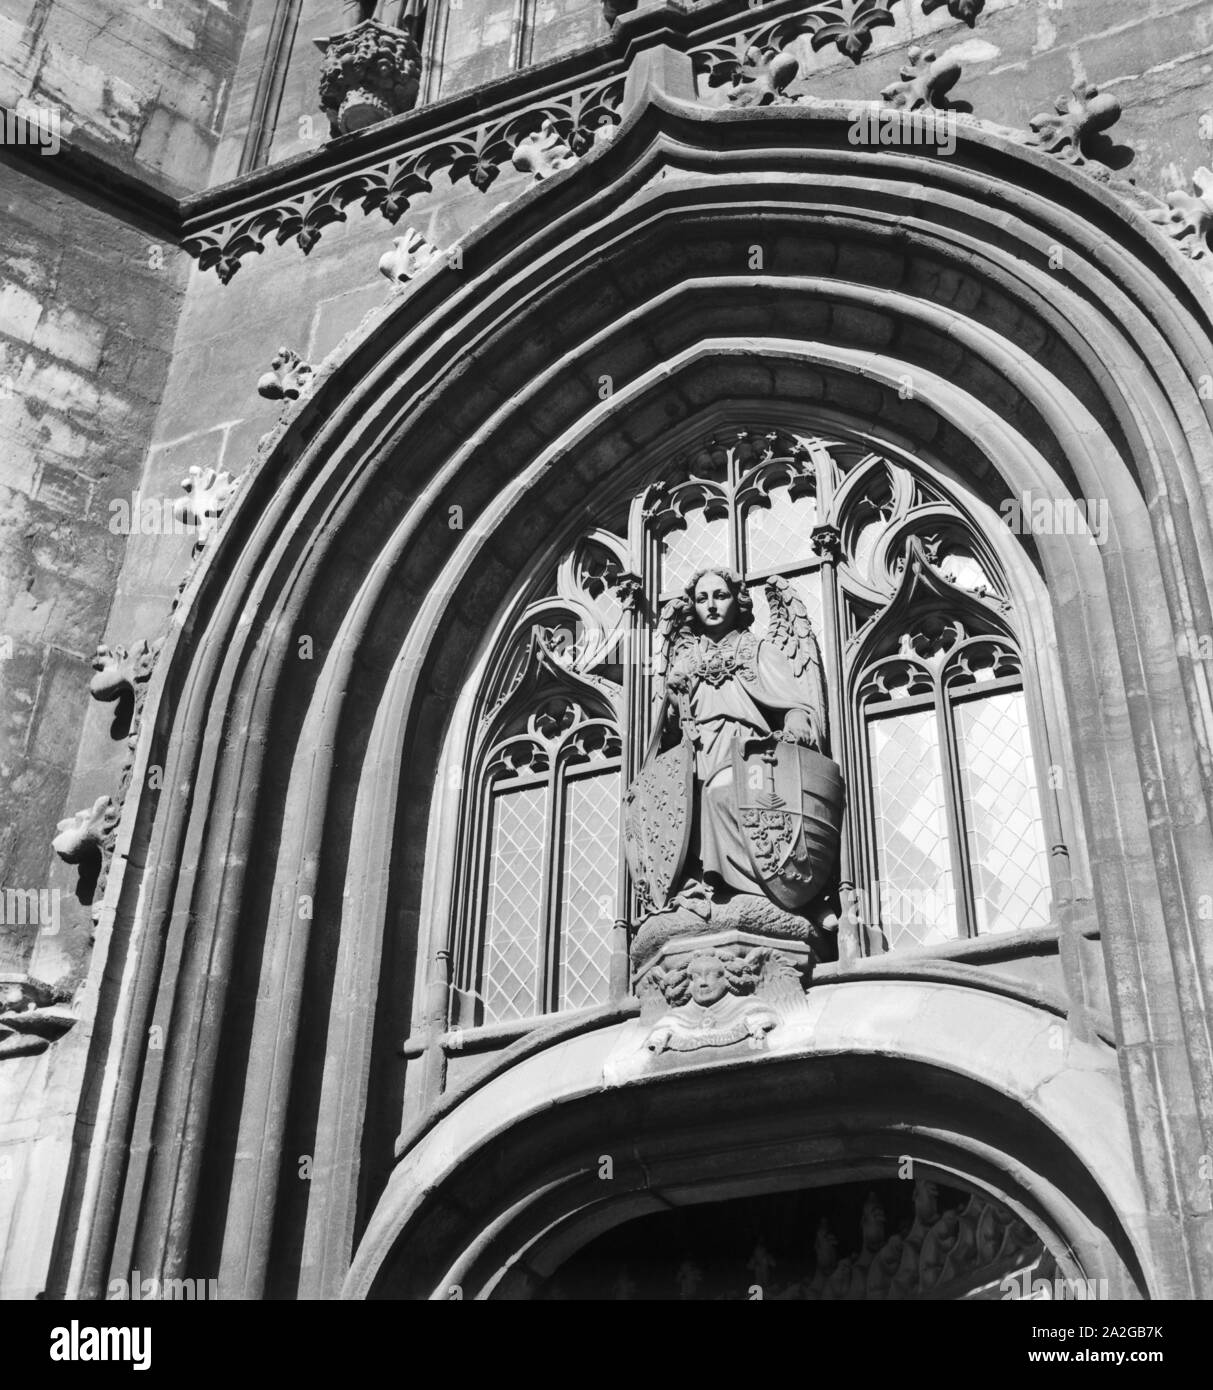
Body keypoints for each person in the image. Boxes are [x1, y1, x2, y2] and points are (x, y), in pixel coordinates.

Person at [655, 567, 825, 900]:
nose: (712, 605)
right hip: (700, 750)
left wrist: (795, 720)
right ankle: (701, 884)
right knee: (691, 807)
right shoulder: (686, 661)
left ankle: (765, 889)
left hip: (748, 749)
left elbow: (791, 702)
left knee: (729, 799)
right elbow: (669, 730)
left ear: (738, 601)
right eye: (703, 599)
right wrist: (675, 700)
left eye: (721, 595)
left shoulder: (760, 650)